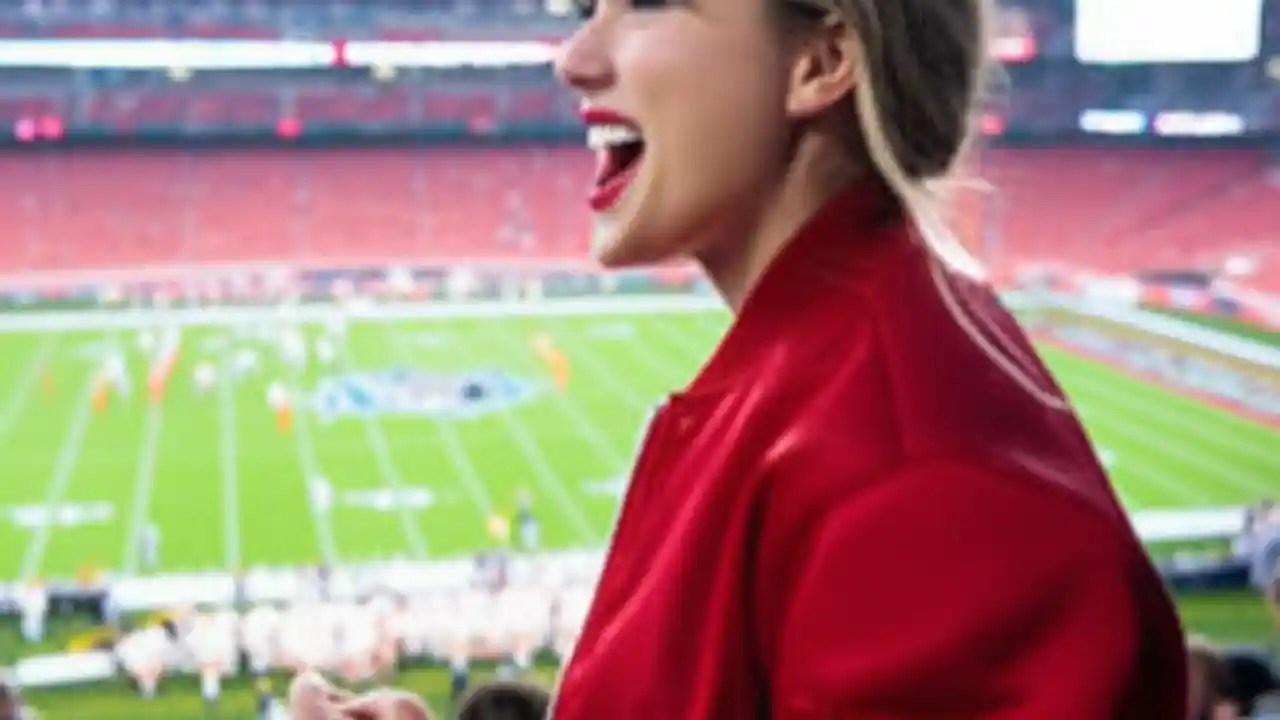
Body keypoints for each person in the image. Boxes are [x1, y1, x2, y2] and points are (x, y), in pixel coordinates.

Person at [294, 0, 1188, 715]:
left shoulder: (912, 475)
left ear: (821, 61)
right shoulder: (837, 366)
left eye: (645, 5)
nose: (573, 57)